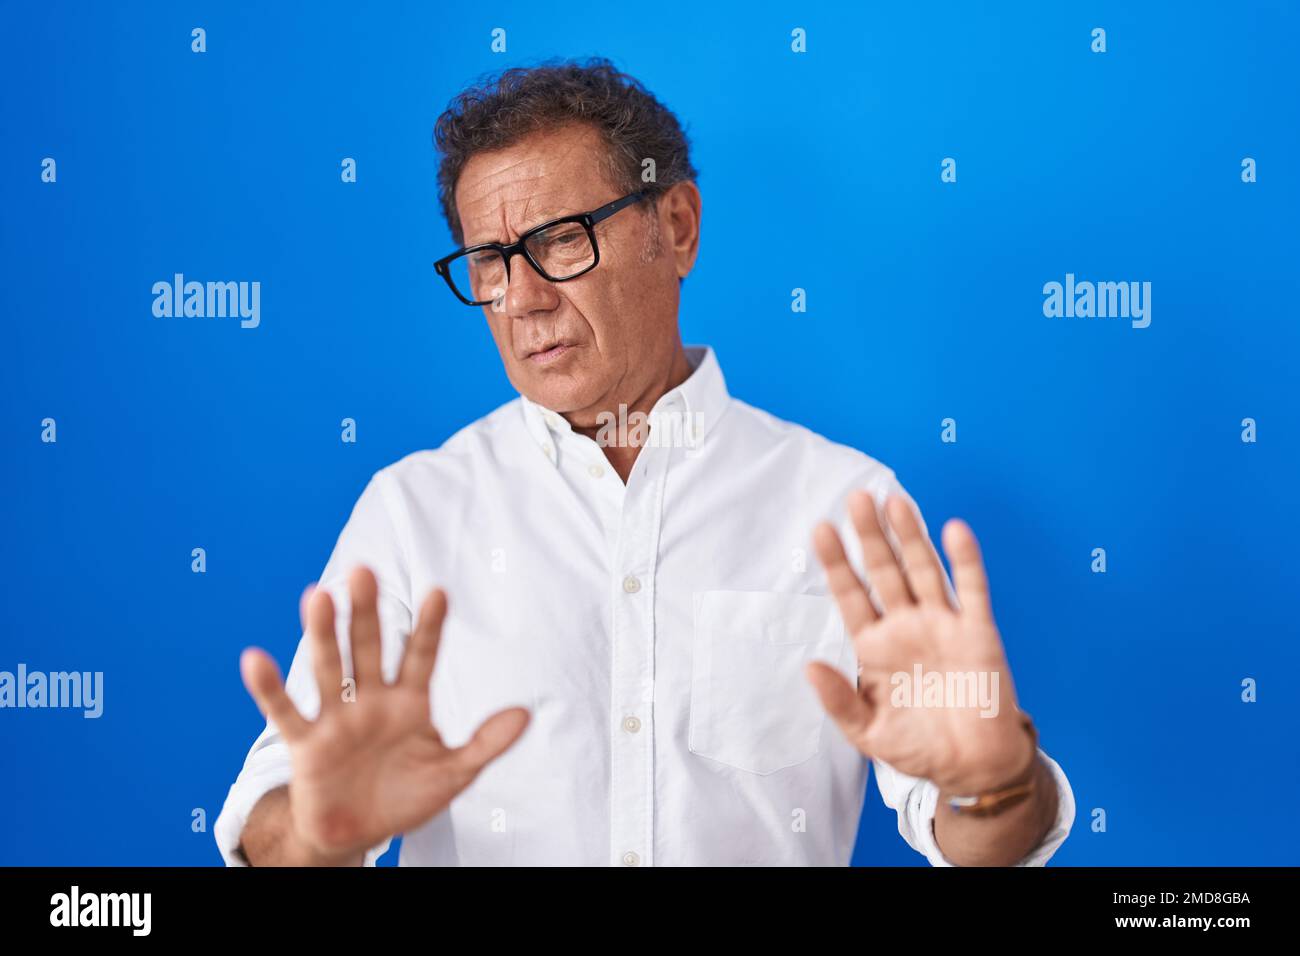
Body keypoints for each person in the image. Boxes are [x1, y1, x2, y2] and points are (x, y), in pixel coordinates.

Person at [215, 58, 1074, 867]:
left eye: (558, 240)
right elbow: (273, 812)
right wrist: (317, 837)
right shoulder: (411, 512)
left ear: (677, 227)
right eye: (490, 262)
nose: (522, 299)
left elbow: (977, 831)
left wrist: (996, 789)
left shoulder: (846, 504)